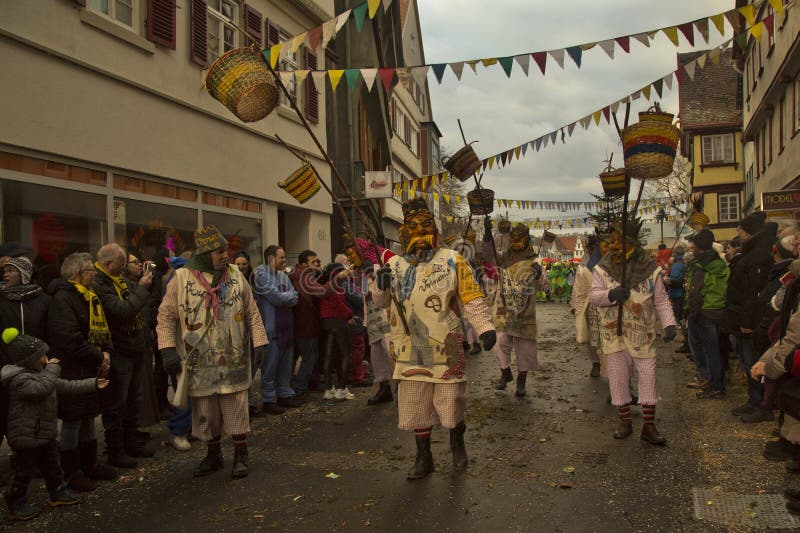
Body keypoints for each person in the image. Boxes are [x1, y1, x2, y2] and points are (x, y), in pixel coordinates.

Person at [373, 198, 496, 479]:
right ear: (404, 233)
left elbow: (473, 298)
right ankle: (423, 456)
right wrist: (379, 285)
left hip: (446, 346)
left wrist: (484, 327)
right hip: (408, 349)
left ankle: (456, 442)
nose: (419, 234)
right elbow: (381, 301)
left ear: (435, 230)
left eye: (425, 227)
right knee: (416, 404)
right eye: (413, 228)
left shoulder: (453, 260)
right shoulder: (393, 265)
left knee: (451, 401)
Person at [157, 225, 268, 479]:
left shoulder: (236, 276)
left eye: (226, 250)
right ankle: (213, 454)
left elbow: (251, 310)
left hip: (233, 356)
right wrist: (167, 350)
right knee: (206, 410)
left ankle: (241, 453)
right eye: (219, 252)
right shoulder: (182, 279)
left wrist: (260, 342)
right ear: (206, 254)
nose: (225, 256)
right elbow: (165, 317)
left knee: (235, 406)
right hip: (200, 360)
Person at [1, 327, 108, 521]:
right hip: (26, 438)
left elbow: (66, 385)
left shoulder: (43, 375)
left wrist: (92, 383)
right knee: (22, 473)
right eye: (42, 356)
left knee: (53, 467)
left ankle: (58, 492)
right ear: (29, 359)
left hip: (44, 434)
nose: (46, 359)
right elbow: (43, 388)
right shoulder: (20, 380)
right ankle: (16, 502)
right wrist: (53, 368)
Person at [589, 217, 677, 445]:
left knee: (648, 376)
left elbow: (661, 300)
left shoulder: (650, 268)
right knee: (618, 378)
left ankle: (648, 426)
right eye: (613, 240)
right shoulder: (603, 267)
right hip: (613, 333)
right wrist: (610, 295)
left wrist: (669, 323)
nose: (615, 245)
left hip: (643, 333)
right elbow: (593, 296)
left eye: (620, 240)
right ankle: (624, 420)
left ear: (632, 242)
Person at [48, 253, 117, 492]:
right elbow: (69, 338)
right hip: (72, 369)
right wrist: (99, 356)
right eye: (90, 271)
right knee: (73, 420)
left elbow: (103, 330)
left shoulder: (90, 296)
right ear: (78, 274)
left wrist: (106, 352)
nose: (94, 274)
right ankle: (72, 471)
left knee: (89, 416)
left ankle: (90, 464)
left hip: (91, 366)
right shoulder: (63, 299)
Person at [94, 243, 153, 467]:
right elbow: (122, 311)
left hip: (134, 346)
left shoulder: (118, 281)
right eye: (121, 264)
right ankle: (115, 450)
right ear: (109, 264)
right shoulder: (100, 285)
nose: (123, 268)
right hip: (119, 350)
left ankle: (131, 442)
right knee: (117, 403)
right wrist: (141, 289)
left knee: (133, 399)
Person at [483, 220, 546, 397]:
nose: (516, 242)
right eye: (513, 238)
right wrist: (488, 236)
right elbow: (489, 255)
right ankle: (505, 373)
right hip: (503, 308)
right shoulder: (503, 258)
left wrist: (539, 274)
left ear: (527, 240)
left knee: (524, 348)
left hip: (525, 311)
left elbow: (544, 286)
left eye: (520, 238)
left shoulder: (535, 260)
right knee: (500, 341)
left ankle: (521, 381)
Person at [725, 212, 776, 423]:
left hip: (750, 321)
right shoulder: (753, 253)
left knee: (754, 361)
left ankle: (763, 404)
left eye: (741, 231)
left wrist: (747, 322)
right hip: (741, 316)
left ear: (749, 233)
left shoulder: (758, 256)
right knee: (748, 362)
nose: (739, 235)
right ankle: (754, 400)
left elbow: (755, 293)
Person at [0, 257, 50, 447]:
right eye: (4, 270)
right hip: (6, 367)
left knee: (34, 413)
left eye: (11, 270)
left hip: (37, 365)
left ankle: (32, 455)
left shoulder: (43, 300)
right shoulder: (1, 299)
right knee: (7, 413)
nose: (5, 274)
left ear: (24, 274)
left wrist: (43, 356)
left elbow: (48, 331)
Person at [342, 237, 396, 405]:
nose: (350, 259)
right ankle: (384, 388)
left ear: (360, 251)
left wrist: (375, 273)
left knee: (392, 353)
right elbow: (365, 294)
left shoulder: (382, 260)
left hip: (387, 315)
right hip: (373, 317)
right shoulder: (360, 270)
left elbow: (393, 282)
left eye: (351, 255)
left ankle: (405, 388)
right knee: (377, 355)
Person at [251, 245, 299, 415]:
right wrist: (286, 298)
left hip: (286, 327)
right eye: (282, 257)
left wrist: (285, 298)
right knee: (269, 366)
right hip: (271, 328)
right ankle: (269, 400)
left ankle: (285, 394)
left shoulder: (283, 276)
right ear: (271, 259)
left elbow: (295, 297)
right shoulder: (261, 275)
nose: (285, 261)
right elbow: (277, 298)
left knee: (285, 364)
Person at [684, 230, 729, 399]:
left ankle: (714, 385)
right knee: (713, 349)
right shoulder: (719, 262)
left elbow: (696, 293)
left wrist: (691, 312)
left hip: (704, 311)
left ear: (699, 246)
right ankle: (714, 382)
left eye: (694, 244)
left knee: (709, 350)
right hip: (717, 309)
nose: (691, 247)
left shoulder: (701, 265)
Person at [289, 250, 326, 400]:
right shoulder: (304, 277)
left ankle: (289, 388)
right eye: (314, 262)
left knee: (295, 357)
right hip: (305, 324)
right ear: (304, 264)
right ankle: (299, 389)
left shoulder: (297, 275)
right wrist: (338, 279)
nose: (317, 264)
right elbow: (322, 292)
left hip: (298, 324)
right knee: (309, 358)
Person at [319, 263, 355, 401]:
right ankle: (341, 389)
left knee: (328, 356)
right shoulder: (336, 285)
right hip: (338, 321)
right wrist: (350, 315)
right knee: (346, 355)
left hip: (326, 322)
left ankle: (328, 389)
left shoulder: (326, 284)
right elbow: (339, 304)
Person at [570, 234, 602, 378]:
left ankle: (611, 366)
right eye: (590, 248)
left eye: (595, 248)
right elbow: (578, 288)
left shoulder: (608, 265)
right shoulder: (583, 267)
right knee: (592, 338)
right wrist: (576, 306)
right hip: (590, 306)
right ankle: (596, 363)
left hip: (607, 305)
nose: (592, 250)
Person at [667, 243, 689, 354]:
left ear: (675, 252)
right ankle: (688, 341)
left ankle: (687, 341)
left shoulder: (677, 265)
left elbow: (673, 280)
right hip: (683, 293)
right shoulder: (683, 263)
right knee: (683, 317)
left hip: (677, 294)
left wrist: (665, 278)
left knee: (680, 317)